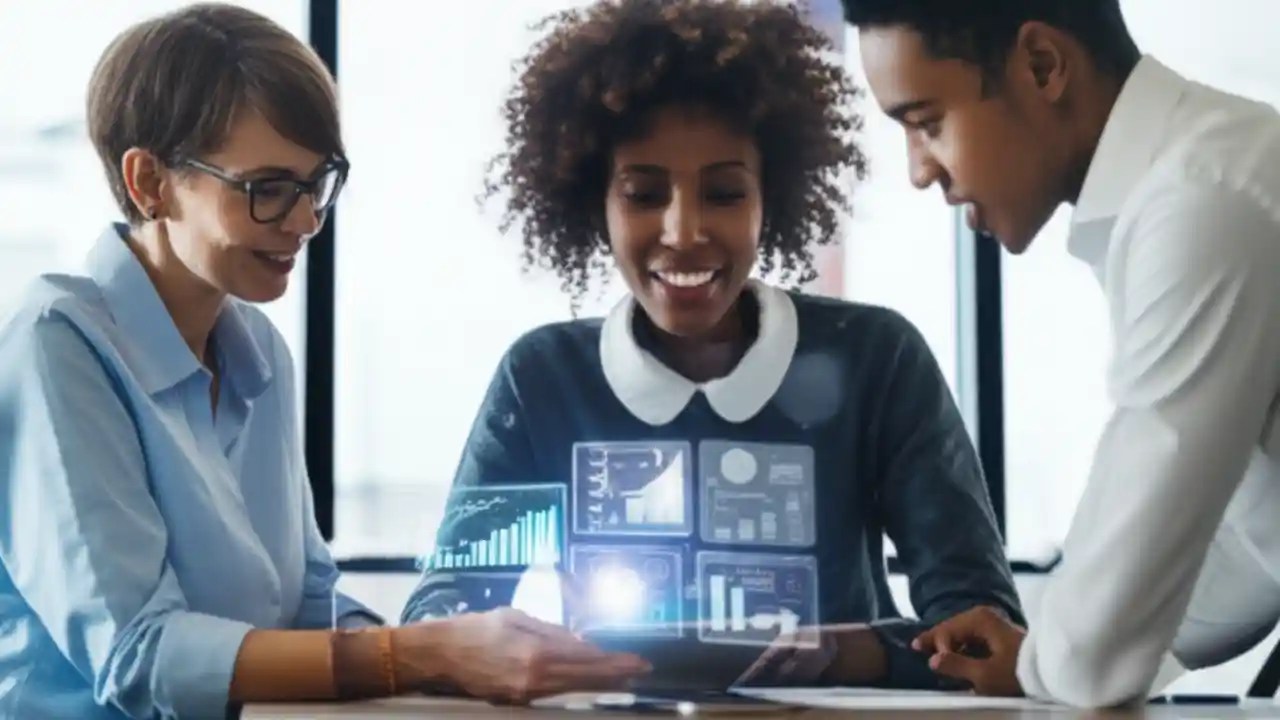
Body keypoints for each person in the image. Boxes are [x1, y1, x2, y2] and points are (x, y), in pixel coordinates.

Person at [0, 4, 648, 718]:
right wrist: (421, 655)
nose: (307, 220)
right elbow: (139, 657)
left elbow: (308, 603)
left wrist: (451, 655)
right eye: (268, 189)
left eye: (318, 184)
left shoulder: (256, 350)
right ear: (150, 182)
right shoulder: (58, 343)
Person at [402, 0, 1023, 691]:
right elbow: (442, 618)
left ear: (769, 201)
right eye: (643, 194)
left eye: (725, 193)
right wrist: (502, 648)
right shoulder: (544, 380)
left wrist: (838, 655)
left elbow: (982, 631)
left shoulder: (876, 359)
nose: (684, 232)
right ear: (594, 205)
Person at [842, 0, 1280, 708]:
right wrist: (1048, 651)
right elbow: (1259, 542)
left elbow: (1096, 659)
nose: (919, 171)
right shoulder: (1202, 175)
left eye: (928, 123)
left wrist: (1063, 660)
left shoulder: (1204, 198)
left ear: (1042, 66)